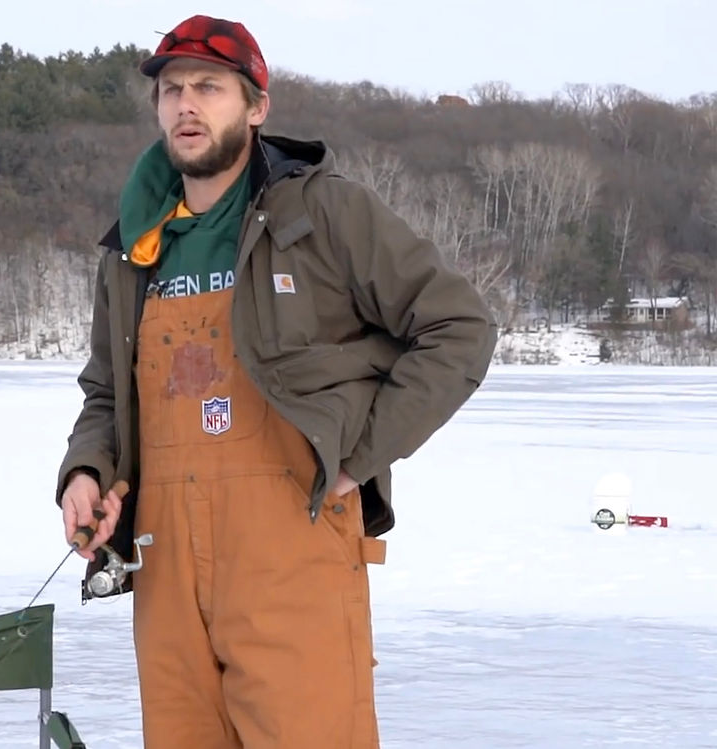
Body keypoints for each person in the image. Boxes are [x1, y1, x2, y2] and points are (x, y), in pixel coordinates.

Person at [56, 14, 498, 749]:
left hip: (290, 550)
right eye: (170, 90)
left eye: (208, 87)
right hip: (164, 568)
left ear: (256, 106)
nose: (185, 105)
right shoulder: (133, 244)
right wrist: (85, 471)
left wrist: (358, 457)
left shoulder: (324, 213)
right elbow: (106, 392)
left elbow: (460, 329)